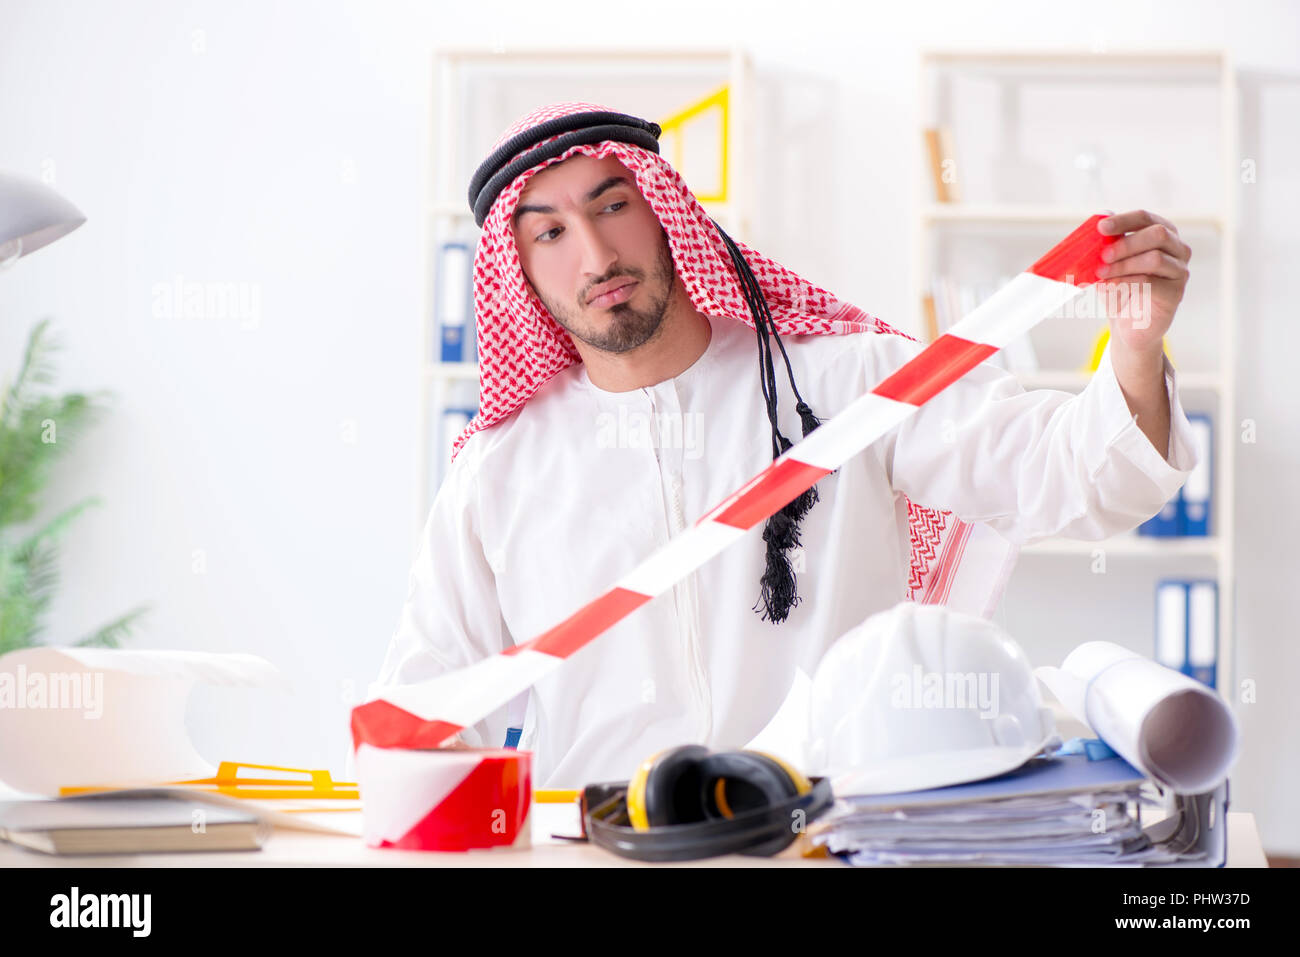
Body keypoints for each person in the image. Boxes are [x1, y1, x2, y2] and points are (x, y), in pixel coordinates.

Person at [372, 102, 1198, 787]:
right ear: (515, 270)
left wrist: (1133, 347)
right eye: (548, 233)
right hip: (606, 847)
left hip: (829, 834)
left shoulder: (852, 387)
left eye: (613, 205)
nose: (595, 255)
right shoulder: (499, 470)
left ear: (666, 212)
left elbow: (1072, 478)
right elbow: (427, 696)